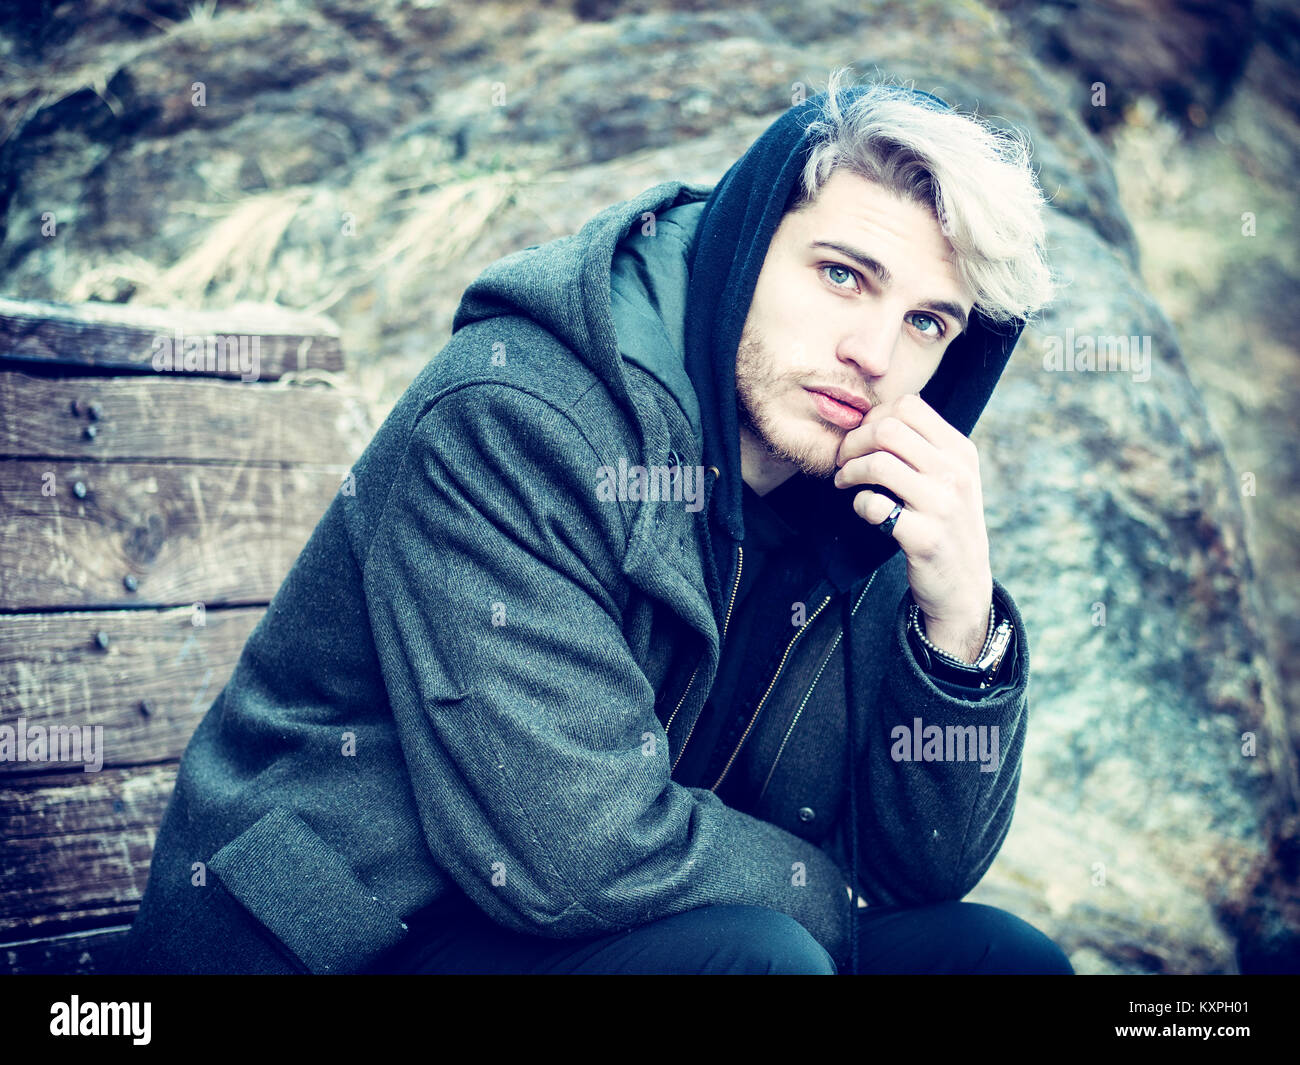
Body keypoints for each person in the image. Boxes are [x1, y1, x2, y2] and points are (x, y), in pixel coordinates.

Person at [115, 67, 1072, 976]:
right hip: (348, 940)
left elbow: (920, 871)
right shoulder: (517, 418)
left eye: (926, 324)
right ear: (743, 249)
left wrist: (959, 631)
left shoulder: (862, 497)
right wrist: (827, 890)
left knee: (999, 962)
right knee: (760, 961)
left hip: (623, 925)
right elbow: (573, 851)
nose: (873, 353)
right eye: (843, 275)